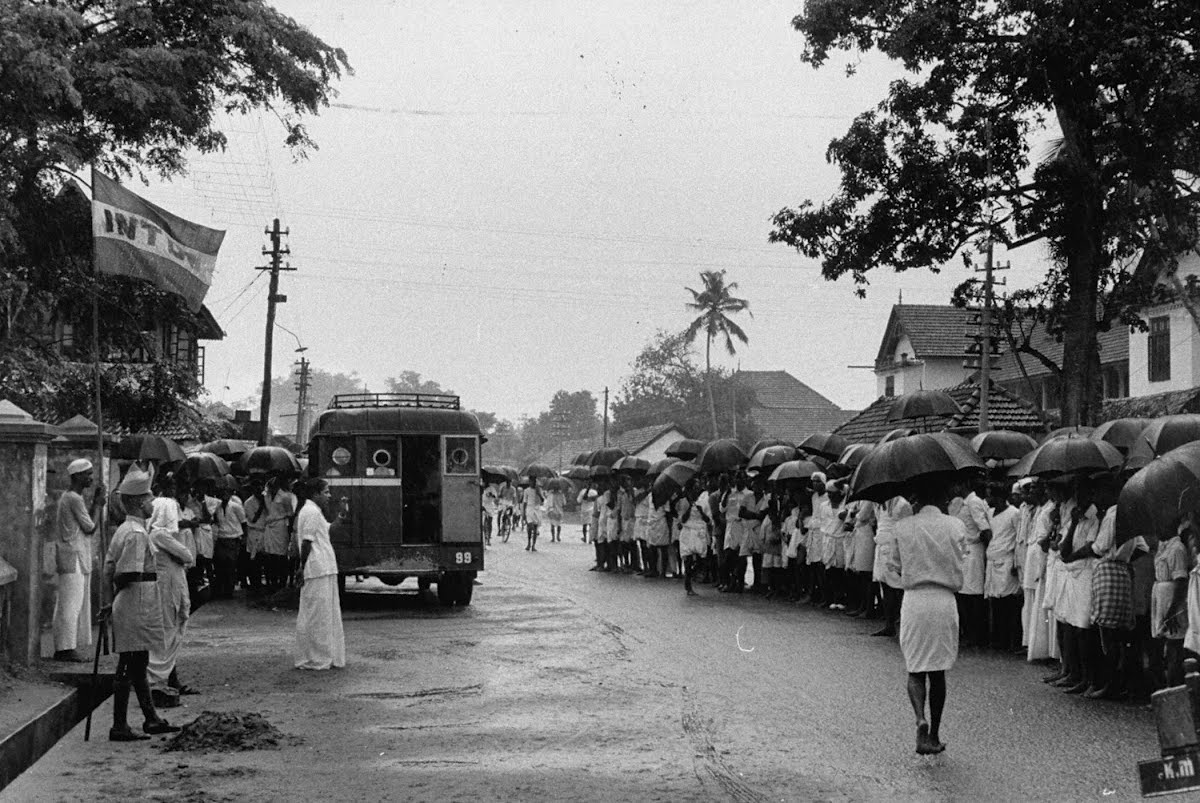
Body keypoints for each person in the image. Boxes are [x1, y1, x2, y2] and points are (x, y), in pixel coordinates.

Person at [888, 475, 965, 755]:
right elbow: (962, 556)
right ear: (944, 498)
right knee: (938, 670)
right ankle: (934, 732)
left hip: (915, 600)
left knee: (915, 667)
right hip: (944, 600)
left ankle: (920, 717)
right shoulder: (956, 525)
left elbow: (894, 565)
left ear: (916, 499)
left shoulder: (902, 527)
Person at [103, 468, 181, 741]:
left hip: (134, 600)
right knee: (130, 662)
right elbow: (126, 572)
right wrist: (115, 594)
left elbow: (110, 569)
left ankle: (150, 718)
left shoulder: (128, 529)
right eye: (149, 500)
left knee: (138, 662)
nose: (152, 504)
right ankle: (119, 726)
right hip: (135, 600)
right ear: (138, 502)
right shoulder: (135, 533)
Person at [146, 474, 197, 708]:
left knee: (173, 630)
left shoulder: (159, 534)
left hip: (172, 585)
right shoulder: (160, 534)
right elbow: (187, 555)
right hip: (167, 588)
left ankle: (170, 679)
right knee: (167, 631)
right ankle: (158, 681)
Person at [52, 458, 106, 662]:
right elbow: (90, 527)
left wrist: (95, 503)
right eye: (88, 474)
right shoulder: (73, 498)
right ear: (77, 476)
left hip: (75, 555)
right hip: (72, 556)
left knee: (68, 603)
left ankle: (65, 646)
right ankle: (65, 649)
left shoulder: (72, 498)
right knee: (70, 604)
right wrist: (98, 504)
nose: (91, 478)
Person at [294, 478, 345, 671]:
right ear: (315, 494)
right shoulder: (312, 512)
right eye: (326, 492)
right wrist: (301, 567)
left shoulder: (314, 511)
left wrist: (341, 515)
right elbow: (306, 542)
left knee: (323, 614)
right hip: (317, 569)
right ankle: (316, 658)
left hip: (324, 567)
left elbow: (328, 530)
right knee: (317, 616)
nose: (329, 496)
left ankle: (324, 656)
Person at [951, 479, 991, 648]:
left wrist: (975, 541)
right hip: (964, 551)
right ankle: (968, 632)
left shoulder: (974, 502)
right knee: (964, 592)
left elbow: (985, 530)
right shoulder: (962, 503)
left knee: (973, 594)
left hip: (973, 551)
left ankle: (977, 635)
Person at [1150, 520, 1190, 689]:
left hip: (1171, 597)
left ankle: (1173, 689)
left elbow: (1181, 581)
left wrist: (1172, 611)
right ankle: (1162, 688)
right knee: (1161, 644)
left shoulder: (1177, 548)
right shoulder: (1163, 546)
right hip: (1160, 594)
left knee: (1174, 646)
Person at [983, 484, 1022, 652]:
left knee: (1009, 602)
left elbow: (1018, 538)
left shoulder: (1014, 513)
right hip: (993, 561)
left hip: (1007, 561)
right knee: (995, 602)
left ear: (998, 497)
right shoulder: (990, 513)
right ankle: (998, 639)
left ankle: (1011, 641)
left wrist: (1016, 561)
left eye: (989, 496)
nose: (987, 500)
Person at [212, 476, 248, 598]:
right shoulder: (217, 507)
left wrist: (244, 538)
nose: (224, 495)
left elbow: (244, 522)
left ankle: (229, 590)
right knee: (220, 566)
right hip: (221, 537)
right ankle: (222, 589)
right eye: (222, 493)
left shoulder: (236, 506)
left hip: (233, 538)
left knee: (231, 565)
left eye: (226, 493)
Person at [522, 480, 544, 552]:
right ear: (530, 482)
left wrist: (539, 494)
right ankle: (528, 543)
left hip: (537, 509)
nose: (533, 483)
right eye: (532, 481)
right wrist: (524, 513)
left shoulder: (539, 490)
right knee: (530, 526)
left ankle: (533, 545)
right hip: (529, 509)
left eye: (534, 481)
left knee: (535, 528)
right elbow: (525, 501)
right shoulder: (526, 490)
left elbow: (542, 501)